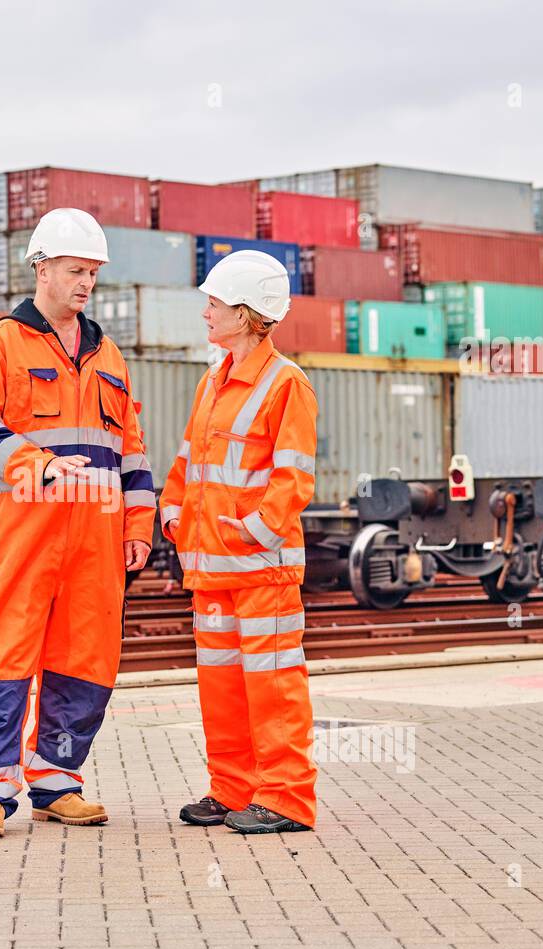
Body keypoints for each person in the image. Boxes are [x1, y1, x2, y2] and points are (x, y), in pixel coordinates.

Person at [0, 207, 154, 839]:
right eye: (76, 270)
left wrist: (139, 526)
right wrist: (35, 464)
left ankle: (56, 782)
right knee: (6, 655)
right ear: (42, 268)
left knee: (86, 660)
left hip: (94, 542)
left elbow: (132, 450)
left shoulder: (110, 357)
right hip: (20, 534)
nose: (86, 283)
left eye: (93, 273)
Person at [159, 250, 319, 834]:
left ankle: (286, 800)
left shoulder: (286, 383)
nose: (205, 312)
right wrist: (172, 510)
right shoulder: (214, 378)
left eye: (215, 302)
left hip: (261, 571)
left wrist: (252, 530)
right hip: (212, 570)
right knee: (223, 689)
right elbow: (189, 460)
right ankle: (232, 790)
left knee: (272, 687)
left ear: (249, 314)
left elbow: (293, 475)